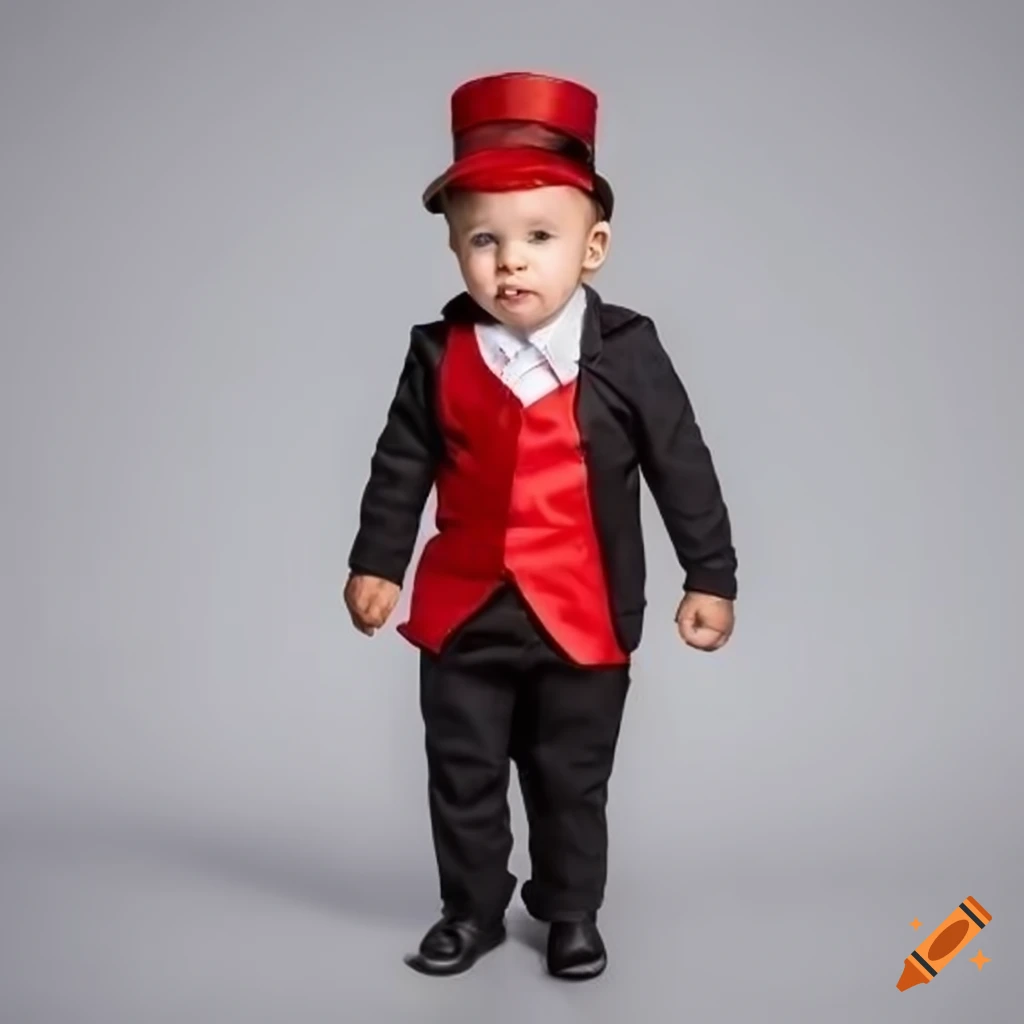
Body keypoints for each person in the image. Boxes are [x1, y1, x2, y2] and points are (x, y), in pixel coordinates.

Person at [344, 71, 737, 980]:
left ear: (593, 247)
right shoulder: (436, 354)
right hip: (462, 611)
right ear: (453, 249)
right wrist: (377, 562)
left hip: (584, 614)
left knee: (571, 779)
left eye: (538, 237)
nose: (509, 261)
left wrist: (709, 575)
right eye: (483, 239)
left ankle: (569, 910)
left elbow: (684, 467)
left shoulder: (629, 352)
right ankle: (471, 908)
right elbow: (399, 466)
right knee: (463, 773)